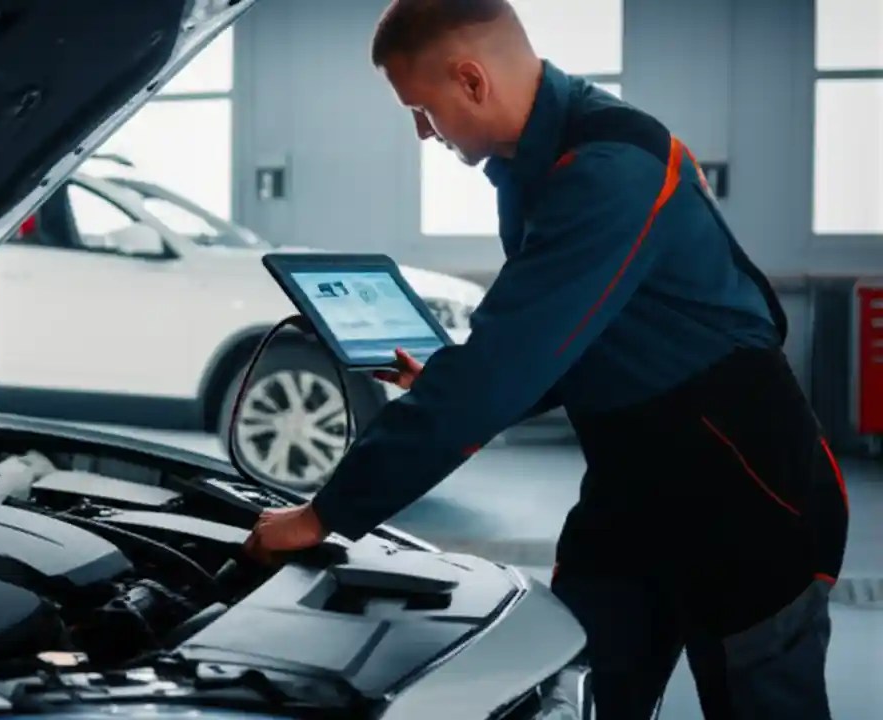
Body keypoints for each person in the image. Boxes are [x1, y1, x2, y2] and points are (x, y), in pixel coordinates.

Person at [239, 1, 850, 718]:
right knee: (575, 687)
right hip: (631, 486)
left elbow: (498, 373)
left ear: (471, 80)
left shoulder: (610, 169)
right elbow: (558, 342)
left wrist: (326, 513)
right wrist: (453, 378)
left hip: (745, 493)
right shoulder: (530, 168)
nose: (422, 132)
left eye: (422, 110)